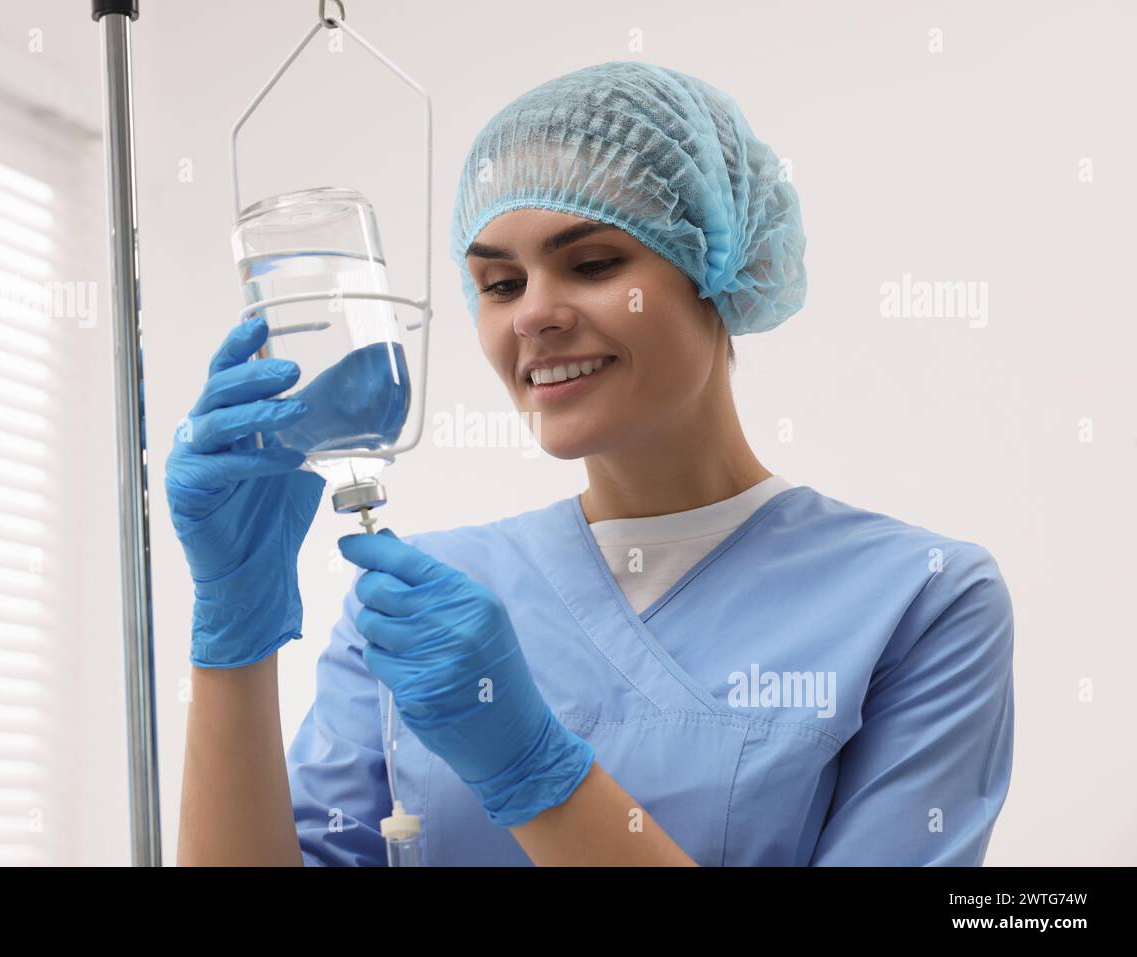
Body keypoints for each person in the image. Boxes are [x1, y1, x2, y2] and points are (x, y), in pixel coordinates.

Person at [167, 61, 1015, 866]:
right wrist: (233, 641)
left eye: (595, 264)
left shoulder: (921, 597)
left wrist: (535, 771)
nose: (533, 314)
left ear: (719, 270)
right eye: (499, 284)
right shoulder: (418, 602)